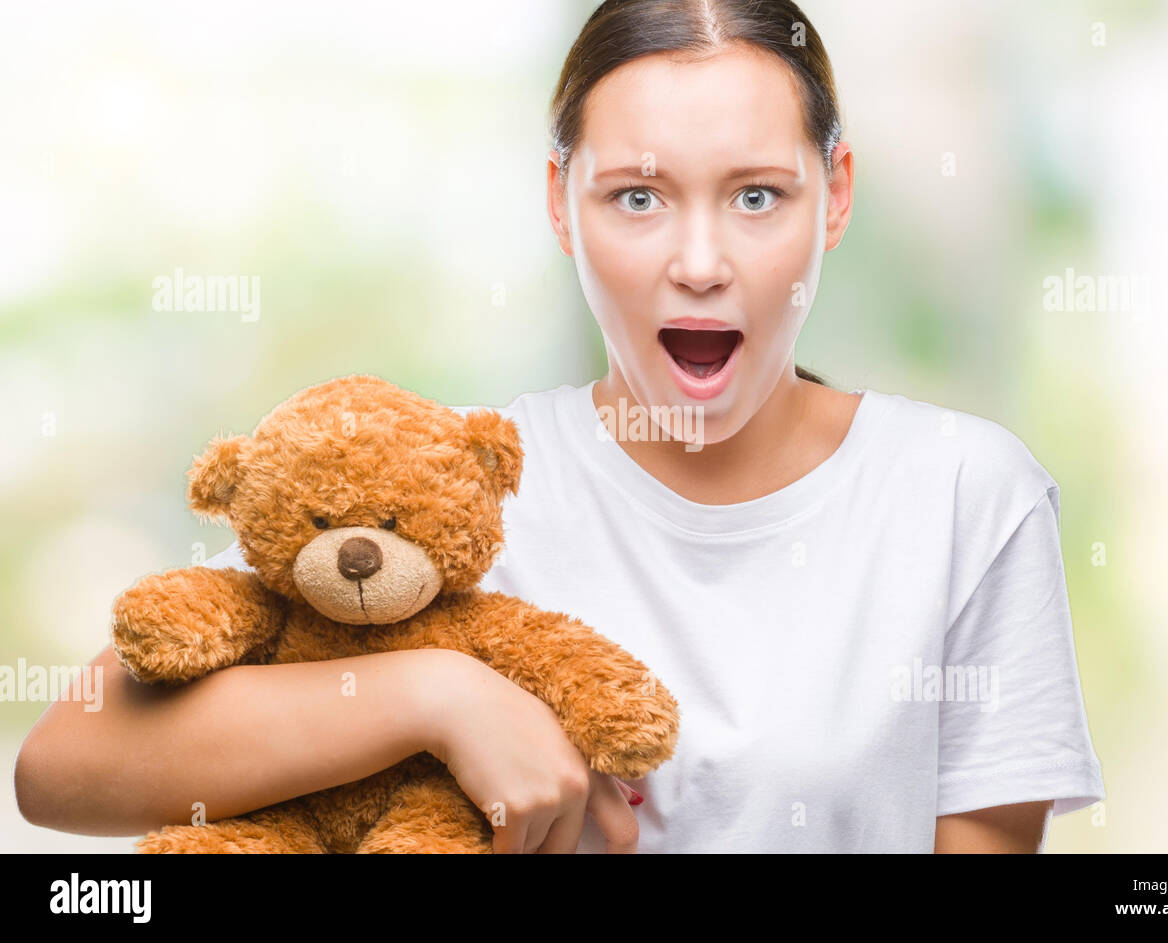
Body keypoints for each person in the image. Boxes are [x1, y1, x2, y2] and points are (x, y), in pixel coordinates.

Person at [13, 0, 1104, 853]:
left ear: (837, 193)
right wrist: (437, 694)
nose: (699, 260)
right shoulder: (446, 484)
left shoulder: (963, 492)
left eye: (758, 196)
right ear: (557, 202)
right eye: (636, 196)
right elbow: (63, 764)